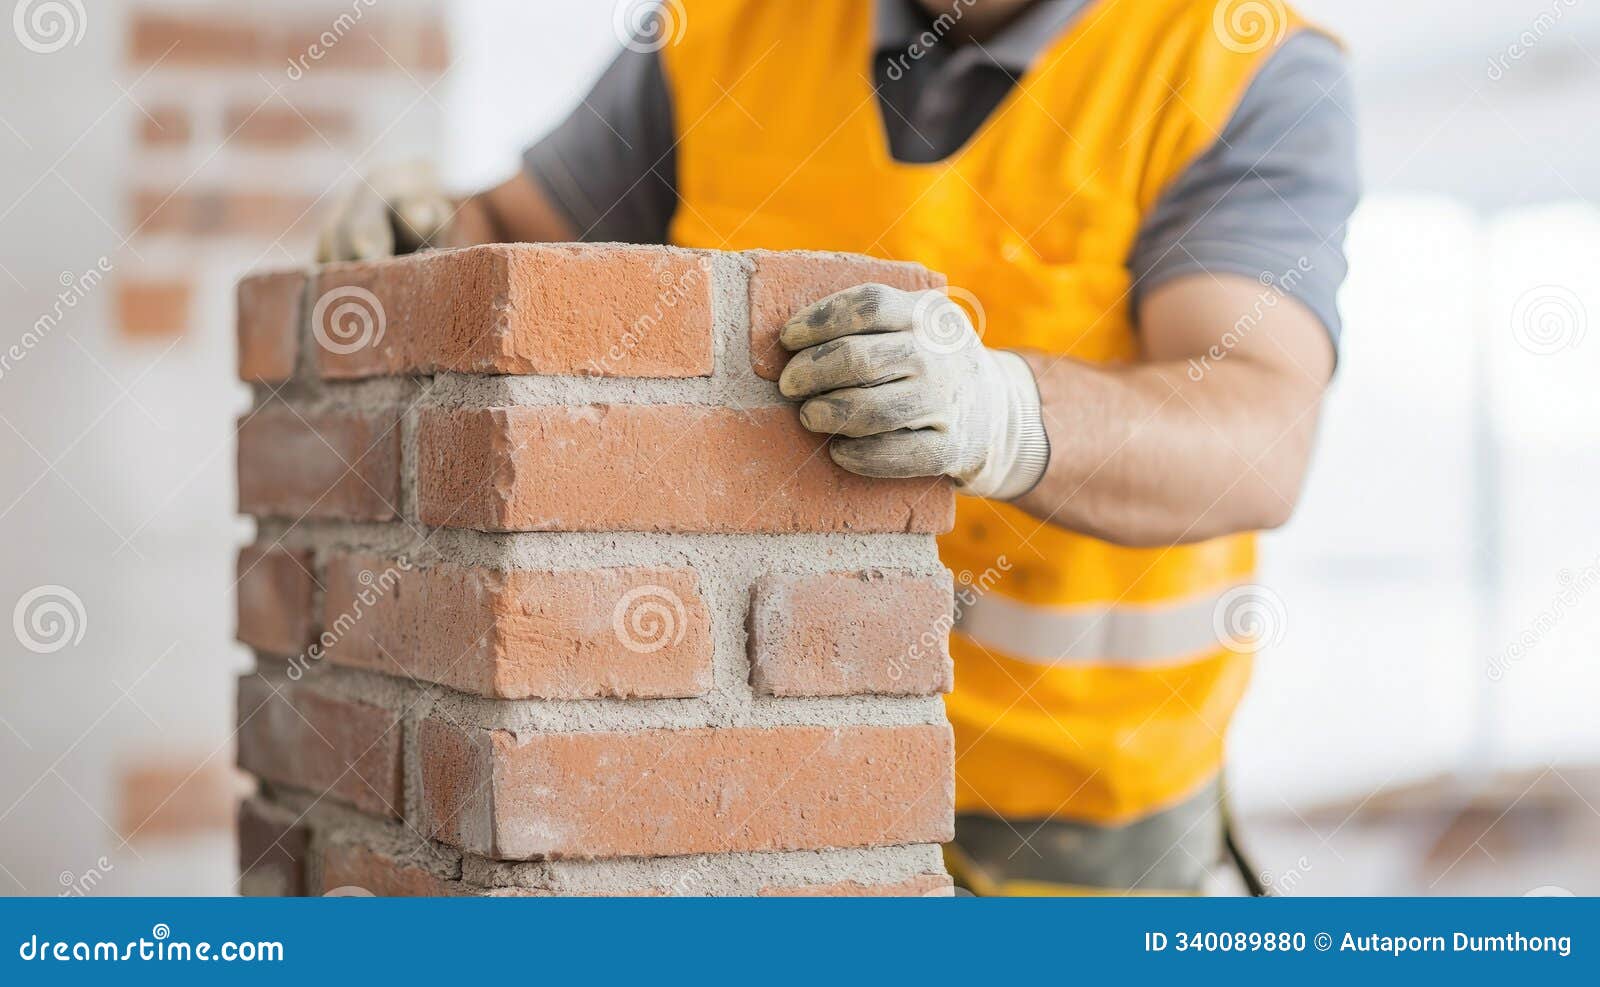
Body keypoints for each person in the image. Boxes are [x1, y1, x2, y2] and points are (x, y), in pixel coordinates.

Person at [318, 0, 1359, 895]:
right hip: (743, 770)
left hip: (1067, 818)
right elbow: (521, 230)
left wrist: (1004, 410)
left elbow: (1256, 427)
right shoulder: (726, 29)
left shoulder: (1232, 58)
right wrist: (423, 235)